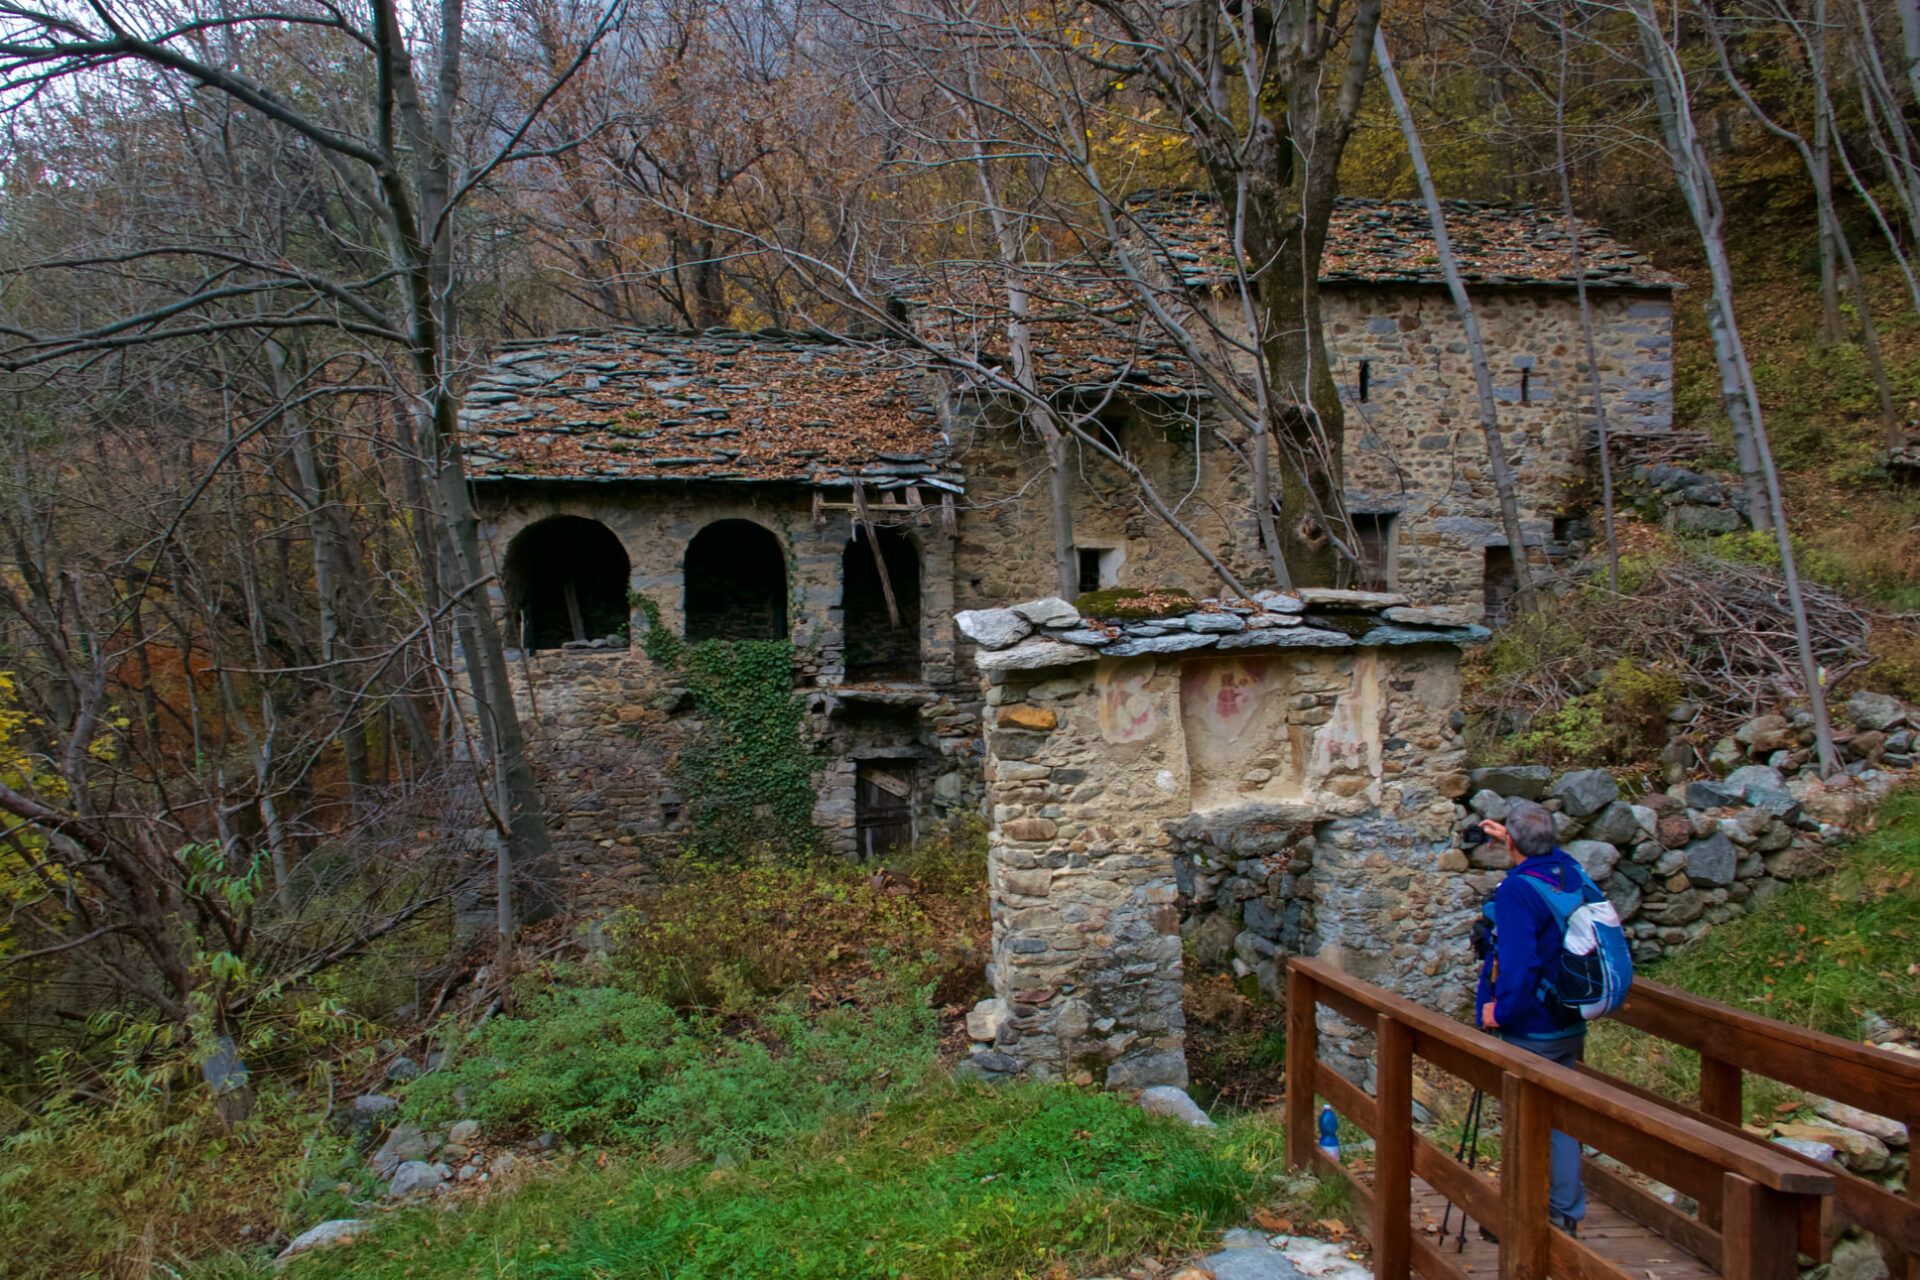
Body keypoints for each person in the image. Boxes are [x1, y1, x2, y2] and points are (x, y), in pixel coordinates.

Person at [1473, 799, 1587, 1236]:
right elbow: (1557, 855)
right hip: (1568, 1017)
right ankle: (1562, 1211)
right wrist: (1515, 837)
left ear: (1515, 843)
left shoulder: (1518, 891)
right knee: (1560, 1122)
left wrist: (1499, 1012)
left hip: (1531, 1024)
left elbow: (1520, 966)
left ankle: (1521, 1217)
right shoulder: (1569, 873)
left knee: (1523, 1121)